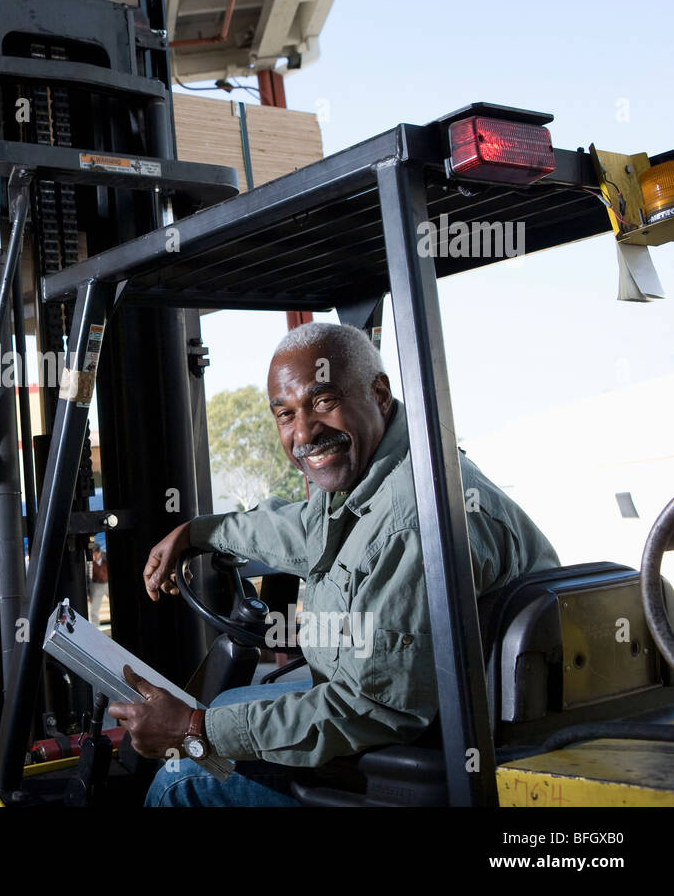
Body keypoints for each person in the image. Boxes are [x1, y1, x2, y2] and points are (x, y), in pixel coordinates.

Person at [108, 322, 560, 806]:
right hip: (420, 726)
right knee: (226, 705)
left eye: (323, 402)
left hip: (416, 761)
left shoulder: (413, 521)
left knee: (181, 778)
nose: (303, 432)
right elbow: (302, 531)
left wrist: (193, 729)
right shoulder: (375, 477)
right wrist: (200, 531)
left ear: (379, 394)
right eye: (286, 414)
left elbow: (372, 709)